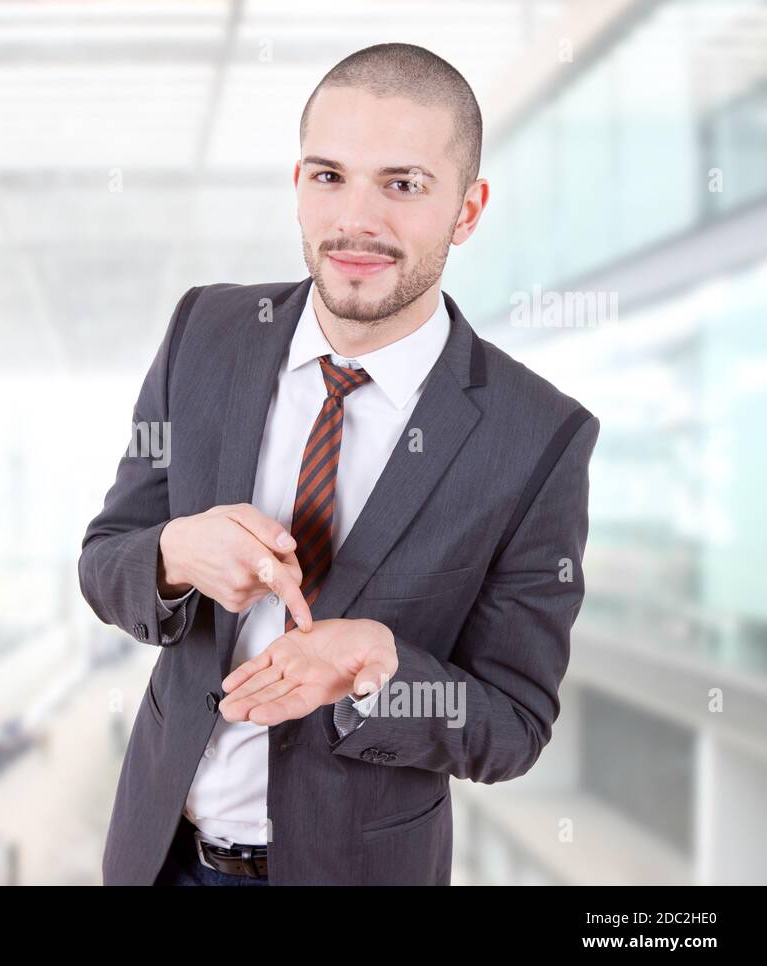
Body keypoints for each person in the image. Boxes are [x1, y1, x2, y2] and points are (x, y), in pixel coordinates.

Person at [77, 42, 600, 885]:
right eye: (330, 177)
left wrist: (382, 669)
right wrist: (175, 554)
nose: (357, 221)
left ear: (467, 210)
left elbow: (513, 725)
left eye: (403, 185)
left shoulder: (537, 437)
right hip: (158, 855)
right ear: (298, 184)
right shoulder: (204, 334)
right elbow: (105, 561)